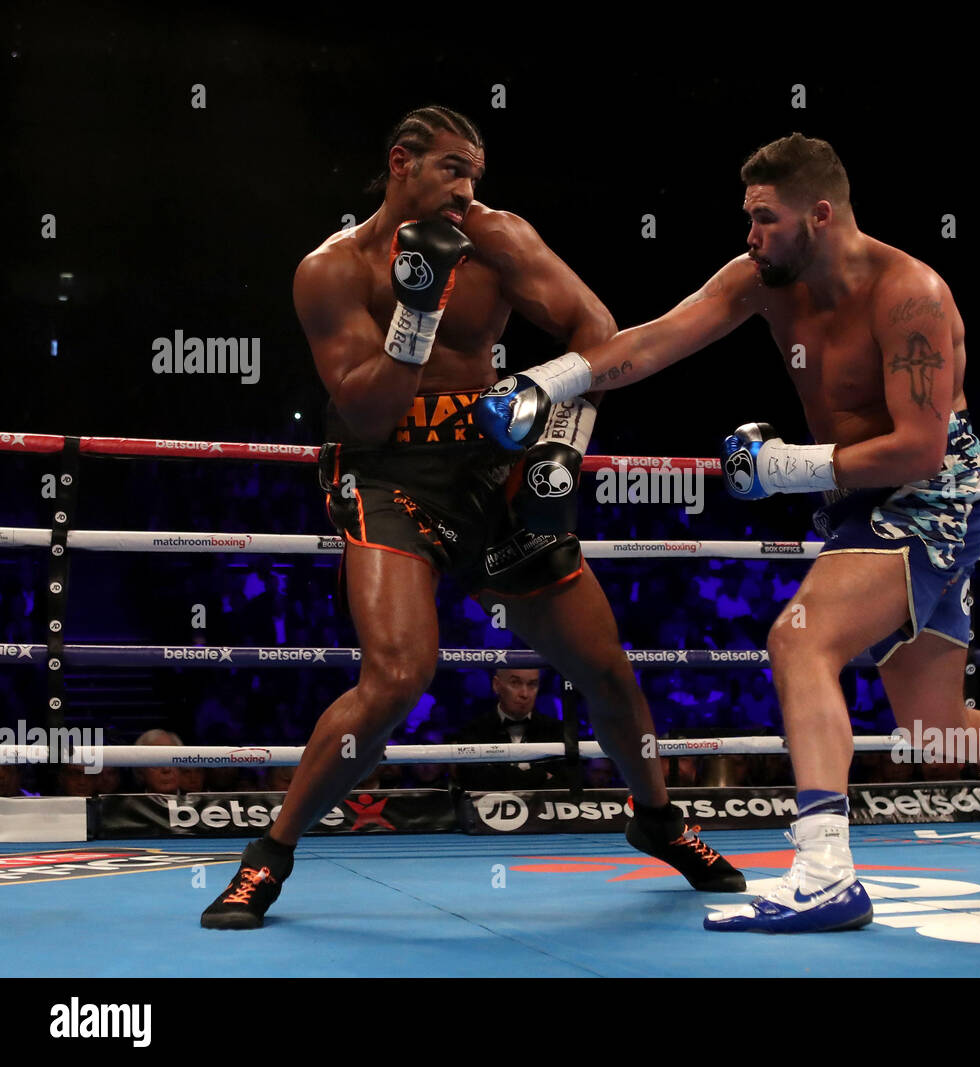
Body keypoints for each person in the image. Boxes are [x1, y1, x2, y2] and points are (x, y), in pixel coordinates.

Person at [477, 132, 980, 932]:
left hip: (933, 493)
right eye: (748, 219)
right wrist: (547, 379)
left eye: (765, 219)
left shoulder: (910, 293)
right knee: (935, 724)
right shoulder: (762, 278)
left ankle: (825, 872)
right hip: (856, 500)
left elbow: (918, 444)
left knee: (800, 640)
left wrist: (781, 468)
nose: (750, 236)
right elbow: (655, 339)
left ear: (820, 213)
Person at [201, 106, 742, 931]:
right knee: (395, 679)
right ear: (401, 163)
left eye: (475, 176)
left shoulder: (497, 238)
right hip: (387, 476)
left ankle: (657, 817)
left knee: (606, 670)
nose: (466, 191)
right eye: (451, 170)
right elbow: (370, 413)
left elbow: (595, 330)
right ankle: (268, 856)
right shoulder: (332, 270)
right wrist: (416, 313)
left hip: (496, 473)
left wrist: (562, 431)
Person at [452, 668, 566, 791]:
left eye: (532, 684)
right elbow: (476, 780)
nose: (524, 694)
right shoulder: (474, 729)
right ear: (496, 685)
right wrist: (540, 776)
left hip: (545, 808)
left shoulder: (555, 729)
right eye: (515, 683)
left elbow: (565, 781)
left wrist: (502, 774)